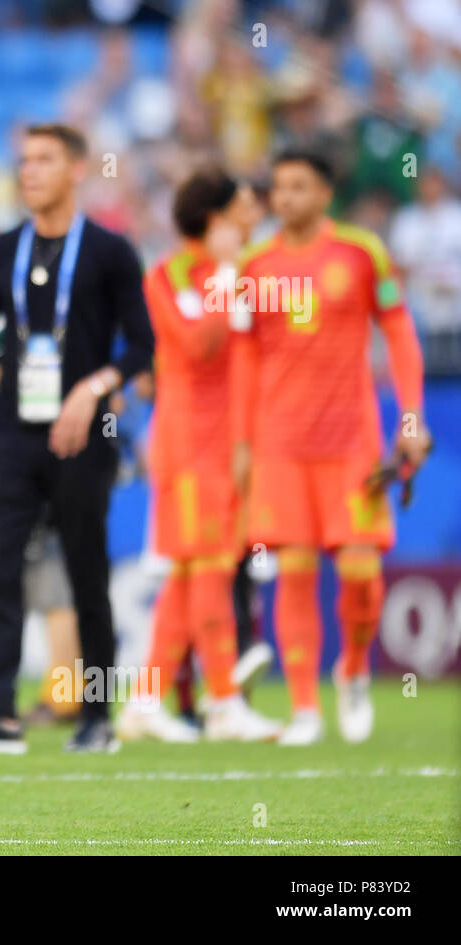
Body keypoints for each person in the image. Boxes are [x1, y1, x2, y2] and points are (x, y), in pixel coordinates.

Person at [0, 124, 154, 754]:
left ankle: (97, 716)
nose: (29, 172)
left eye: (45, 160)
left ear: (78, 168)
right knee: (1, 570)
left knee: (87, 571)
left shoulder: (110, 250)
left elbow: (142, 346)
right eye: (23, 161)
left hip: (82, 435)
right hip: (12, 435)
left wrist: (96, 385)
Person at [230, 150, 429, 745]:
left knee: (362, 576)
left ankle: (353, 669)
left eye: (298, 185)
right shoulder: (254, 265)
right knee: (293, 572)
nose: (283, 197)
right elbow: (243, 357)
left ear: (324, 193)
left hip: (352, 445)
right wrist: (242, 441)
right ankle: (304, 710)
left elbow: (399, 332)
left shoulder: (361, 252)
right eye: (278, 187)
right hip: (281, 445)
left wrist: (411, 418)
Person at [116, 167, 281, 743]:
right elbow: (197, 343)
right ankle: (222, 703)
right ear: (216, 218)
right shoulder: (169, 275)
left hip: (233, 442)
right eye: (243, 207)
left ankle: (145, 703)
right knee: (207, 567)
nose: (253, 216)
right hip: (190, 445)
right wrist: (231, 274)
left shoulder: (244, 274)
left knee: (190, 574)